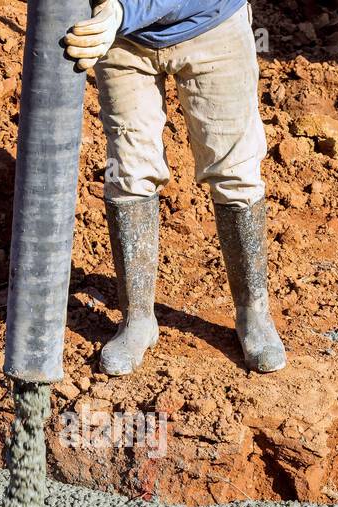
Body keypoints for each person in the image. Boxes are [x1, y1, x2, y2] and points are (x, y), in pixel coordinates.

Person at [64, 0, 286, 375]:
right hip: (122, 40)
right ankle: (137, 319)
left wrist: (121, 10)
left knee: (235, 172)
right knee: (130, 172)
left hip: (210, 24)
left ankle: (254, 314)